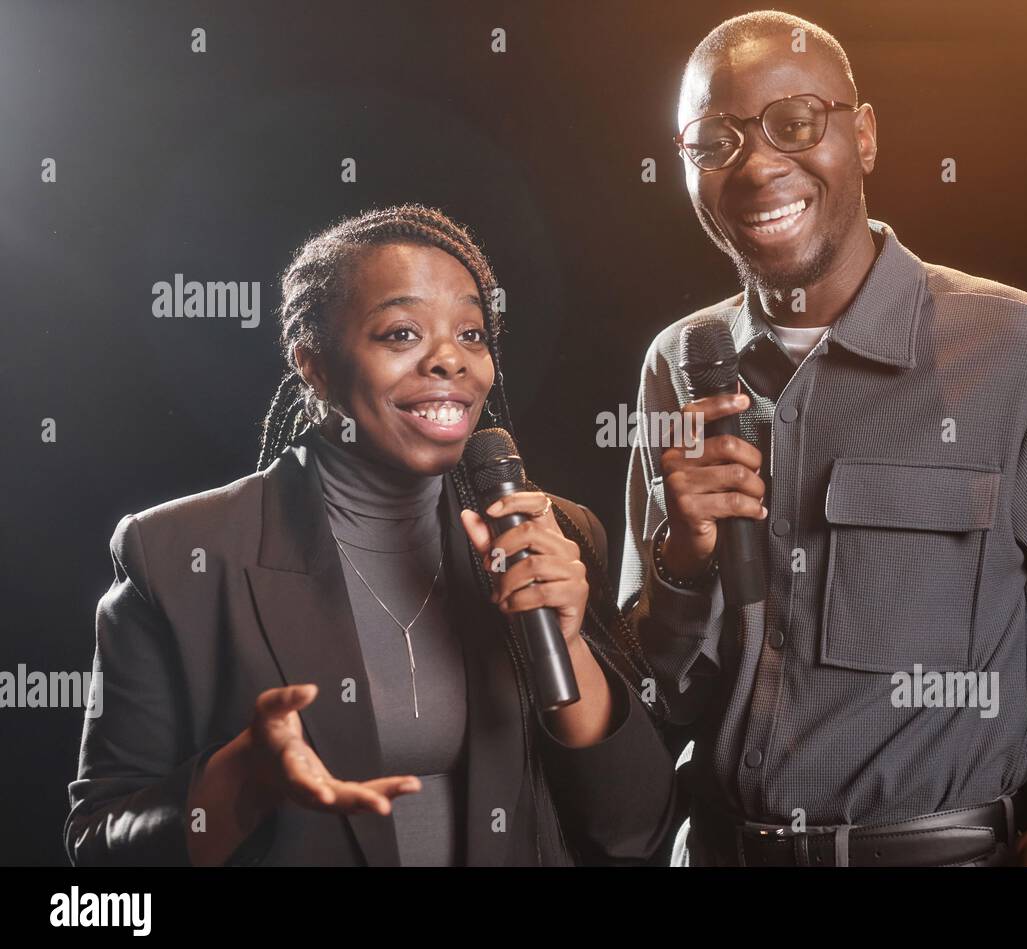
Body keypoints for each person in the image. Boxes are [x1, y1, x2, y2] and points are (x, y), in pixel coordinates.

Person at [618, 11, 1027, 866]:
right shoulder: (680, 364)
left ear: (867, 135)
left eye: (796, 123)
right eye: (715, 140)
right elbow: (652, 693)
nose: (760, 164)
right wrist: (681, 568)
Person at [66, 203, 676, 866]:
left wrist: (565, 645)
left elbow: (633, 831)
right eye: (401, 333)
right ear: (315, 366)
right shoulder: (179, 555)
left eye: (472, 334)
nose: (451, 360)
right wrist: (244, 777)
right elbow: (101, 852)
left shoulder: (551, 533)